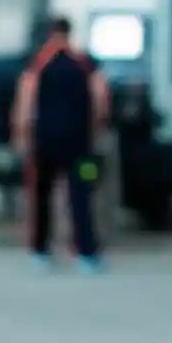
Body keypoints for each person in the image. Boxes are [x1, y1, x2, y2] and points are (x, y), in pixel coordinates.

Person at [12, 16, 111, 274]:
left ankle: (40, 252)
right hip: (80, 144)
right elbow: (101, 97)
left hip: (44, 143)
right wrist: (96, 130)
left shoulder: (38, 63)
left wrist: (22, 137)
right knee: (82, 196)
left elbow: (25, 102)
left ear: (49, 33)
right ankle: (87, 255)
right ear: (70, 33)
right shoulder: (85, 63)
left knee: (41, 196)